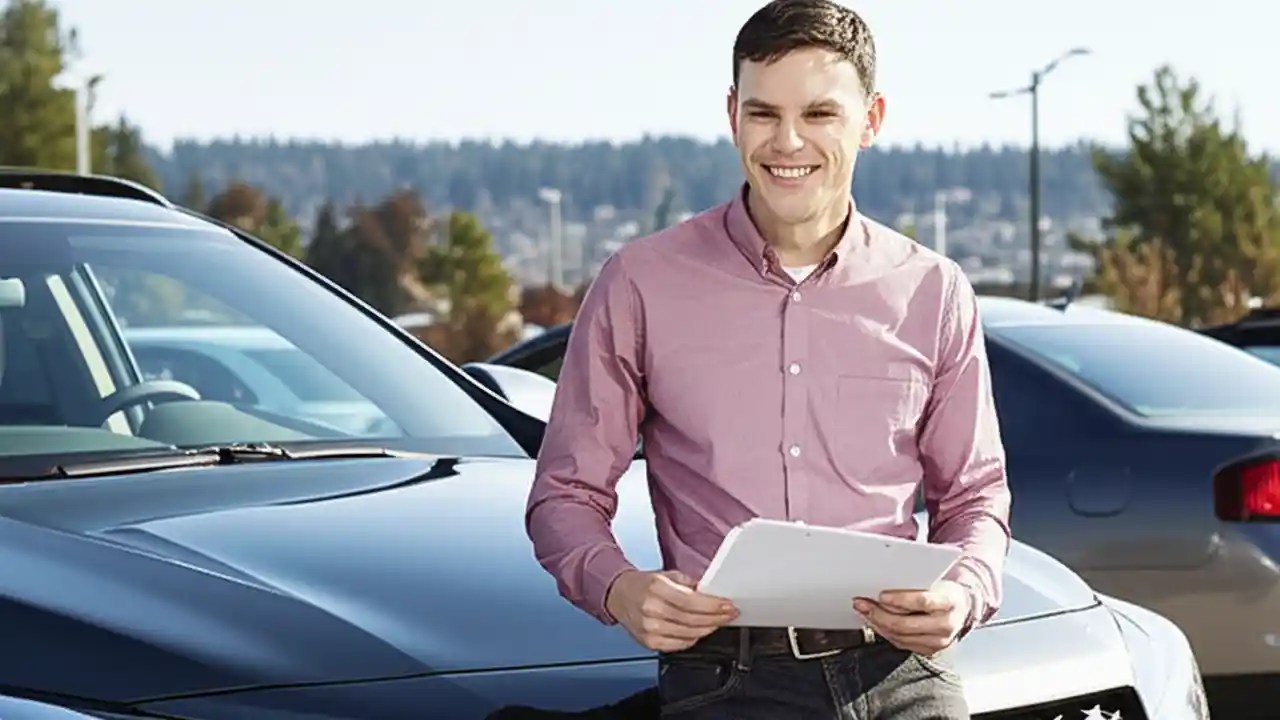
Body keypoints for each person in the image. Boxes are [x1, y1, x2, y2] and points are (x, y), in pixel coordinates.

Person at [525, 0, 1011, 716]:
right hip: (726, 680)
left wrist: (964, 590)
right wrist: (619, 588)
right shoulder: (640, 283)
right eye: (763, 114)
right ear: (732, 115)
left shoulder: (932, 290)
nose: (788, 142)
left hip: (905, 677)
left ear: (871, 120)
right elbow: (564, 495)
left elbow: (974, 494)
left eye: (819, 114)